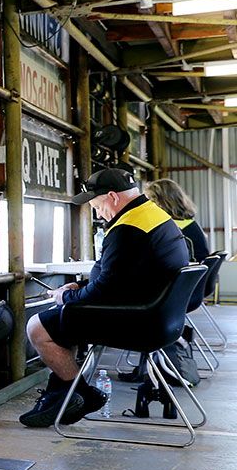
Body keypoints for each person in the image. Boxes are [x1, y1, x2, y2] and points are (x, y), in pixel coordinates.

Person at [20, 168, 191, 427]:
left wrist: (66, 297)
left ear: (112, 197)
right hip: (161, 318)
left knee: (38, 326)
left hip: (138, 321)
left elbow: (105, 290)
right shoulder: (153, 216)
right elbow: (122, 277)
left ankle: (82, 394)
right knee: (64, 319)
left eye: (98, 207)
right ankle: (64, 394)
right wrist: (79, 288)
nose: (99, 214)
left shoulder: (127, 229)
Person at [144, 178, 209, 262]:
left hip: (190, 267)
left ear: (161, 203)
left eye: (151, 201)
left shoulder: (171, 228)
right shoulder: (188, 223)